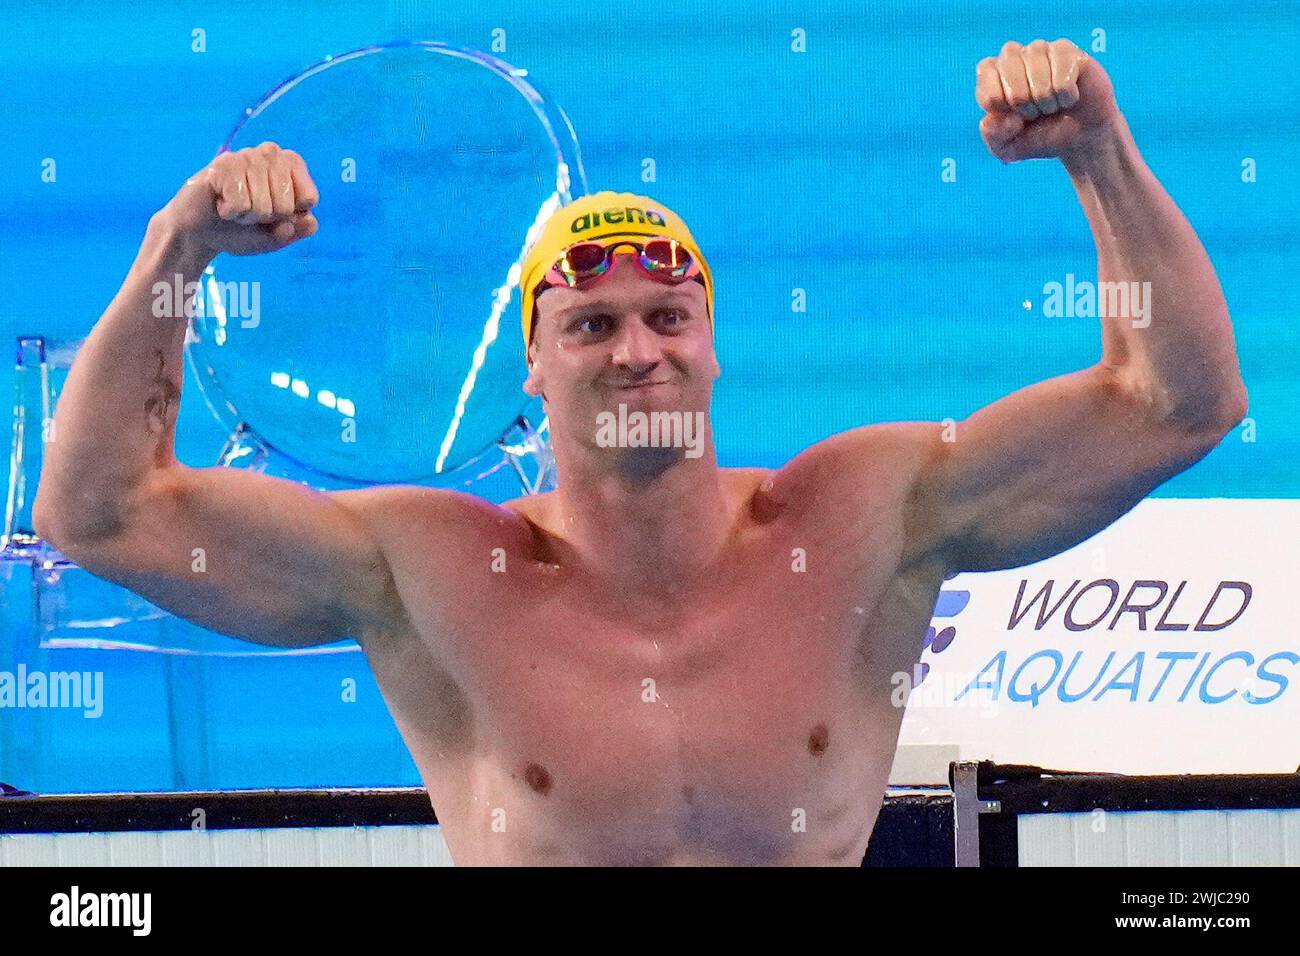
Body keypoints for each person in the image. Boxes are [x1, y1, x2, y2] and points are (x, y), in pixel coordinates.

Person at [34, 38, 1247, 865]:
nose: (636, 351)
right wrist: (174, 250)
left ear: (713, 347)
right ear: (533, 367)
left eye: (669, 316)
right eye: (590, 324)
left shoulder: (864, 520)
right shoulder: (427, 567)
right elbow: (99, 511)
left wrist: (1098, 152)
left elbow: (1174, 403)